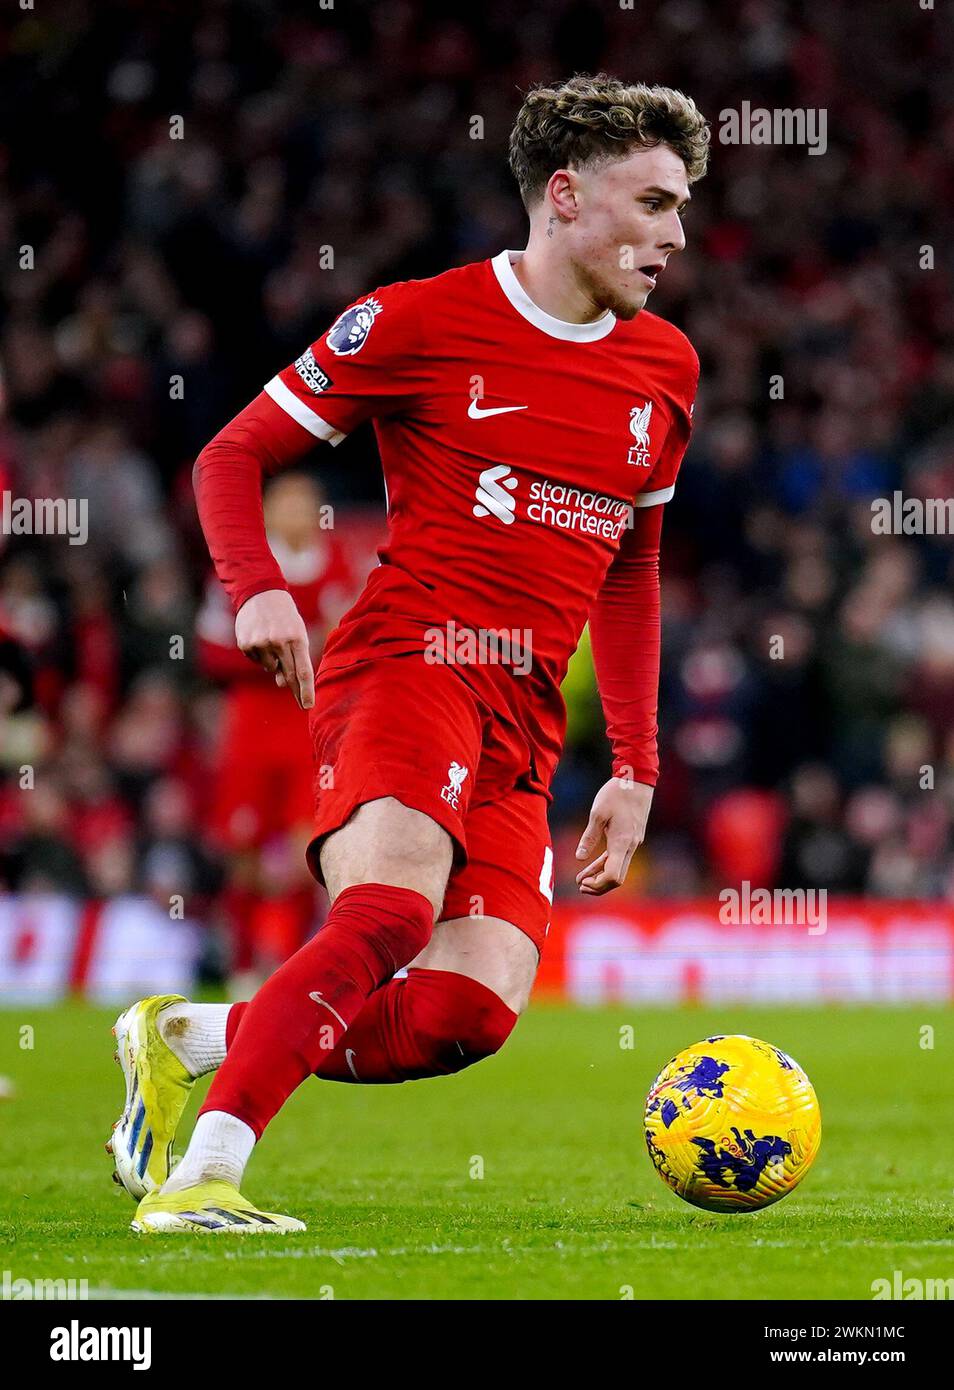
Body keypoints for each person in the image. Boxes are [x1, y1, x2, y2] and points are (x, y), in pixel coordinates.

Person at [108, 74, 709, 1233]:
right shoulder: (417, 321)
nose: (676, 236)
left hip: (527, 718)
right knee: (384, 915)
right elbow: (230, 455)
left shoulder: (665, 370)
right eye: (655, 204)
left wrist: (632, 762)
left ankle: (192, 1037)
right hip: (411, 659)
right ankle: (200, 1180)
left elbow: (631, 570)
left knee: (461, 1015)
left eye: (681, 207)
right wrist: (260, 594)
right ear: (568, 197)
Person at [196, 471, 355, 991]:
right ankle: (242, 965)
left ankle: (288, 965)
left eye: (306, 503)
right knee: (243, 855)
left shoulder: (334, 565)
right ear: (266, 513)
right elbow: (210, 649)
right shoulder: (243, 568)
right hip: (250, 725)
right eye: (286, 504)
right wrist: (275, 652)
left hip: (306, 722)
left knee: (303, 852)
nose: (297, 514)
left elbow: (346, 641)